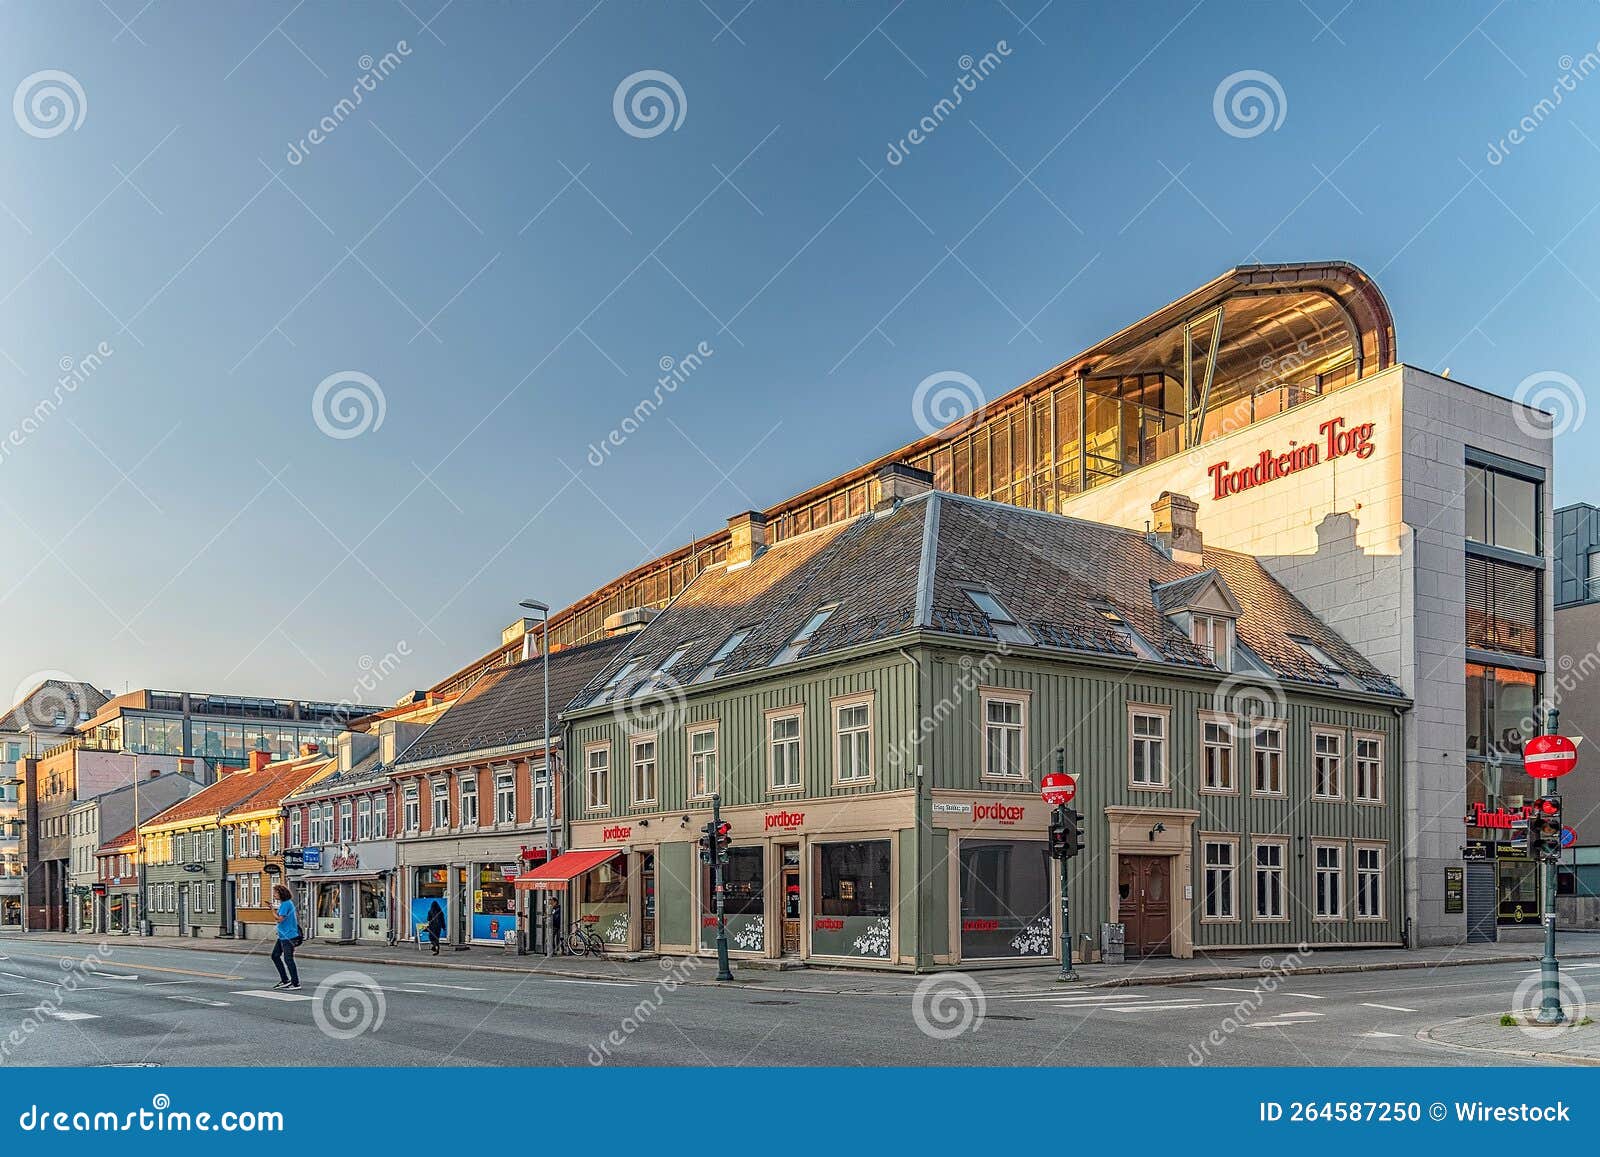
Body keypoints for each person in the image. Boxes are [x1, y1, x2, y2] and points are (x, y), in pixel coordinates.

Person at [270, 884, 300, 990]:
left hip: (288, 936)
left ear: (281, 893)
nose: (274, 895)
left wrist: (272, 910)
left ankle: (295, 983)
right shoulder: (286, 903)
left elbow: (279, 919)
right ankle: (285, 980)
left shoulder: (285, 904)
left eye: (275, 893)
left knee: (288, 959)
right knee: (275, 955)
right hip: (284, 936)